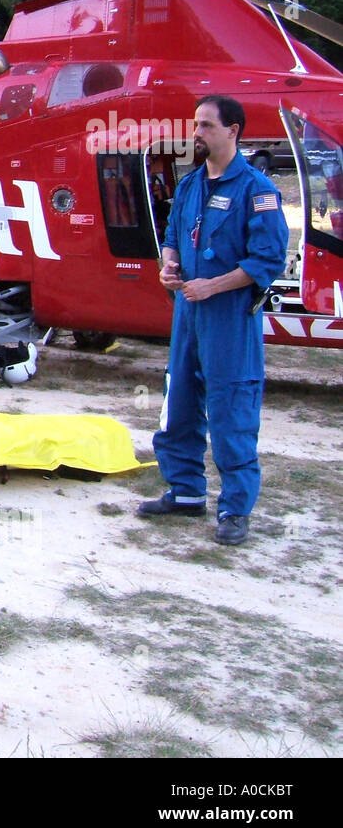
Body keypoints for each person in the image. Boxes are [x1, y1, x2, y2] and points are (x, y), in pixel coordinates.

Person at [137, 96, 289, 546]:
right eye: (196, 124)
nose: (197, 133)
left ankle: (235, 509)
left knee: (230, 410)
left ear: (233, 131)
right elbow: (173, 235)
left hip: (229, 316)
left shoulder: (257, 190)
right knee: (179, 401)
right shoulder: (189, 186)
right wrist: (168, 264)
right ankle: (185, 492)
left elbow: (267, 260)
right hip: (188, 312)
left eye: (206, 125)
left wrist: (213, 286)